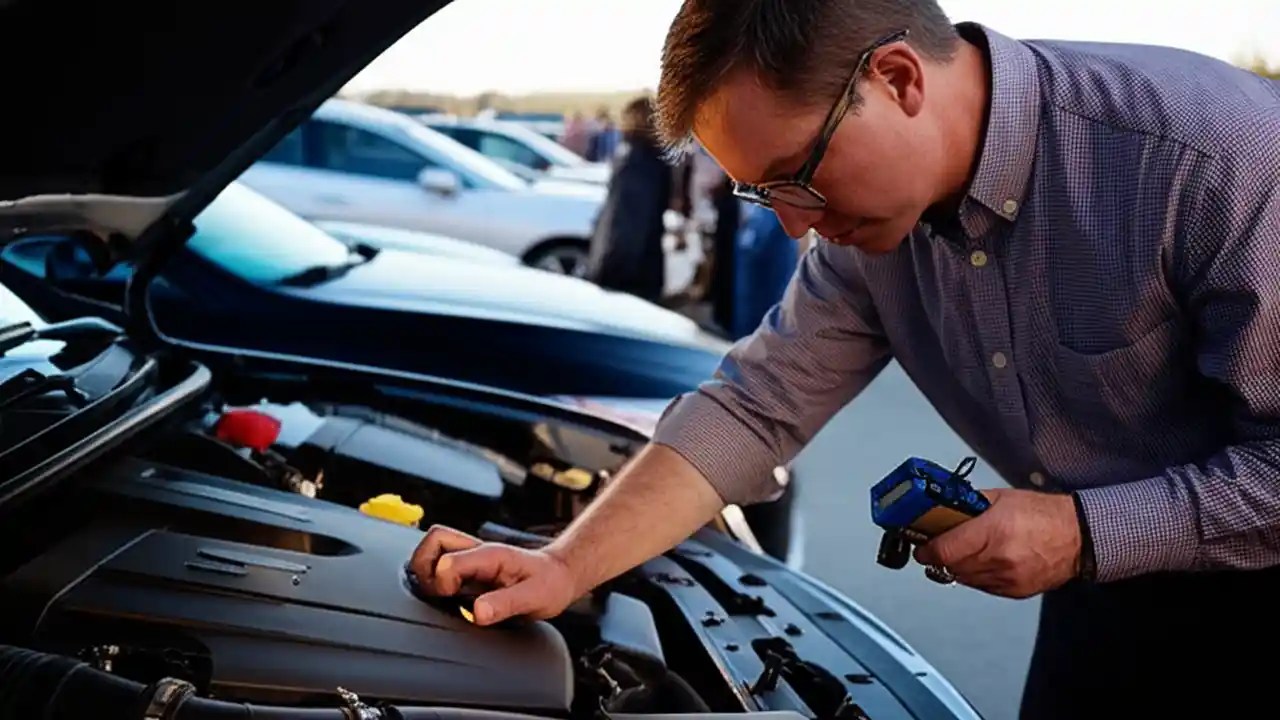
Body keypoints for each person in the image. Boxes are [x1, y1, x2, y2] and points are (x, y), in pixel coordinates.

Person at [409, 1, 1280, 716]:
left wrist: (1084, 530)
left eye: (796, 175)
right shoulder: (866, 233)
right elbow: (754, 406)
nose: (790, 224)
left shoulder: (1217, 164)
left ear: (897, 79)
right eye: (761, 192)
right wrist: (564, 565)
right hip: (1101, 608)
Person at [582, 97, 671, 303]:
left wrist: (608, 267)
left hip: (627, 271)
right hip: (640, 265)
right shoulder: (645, 157)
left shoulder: (637, 159)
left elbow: (629, 222)